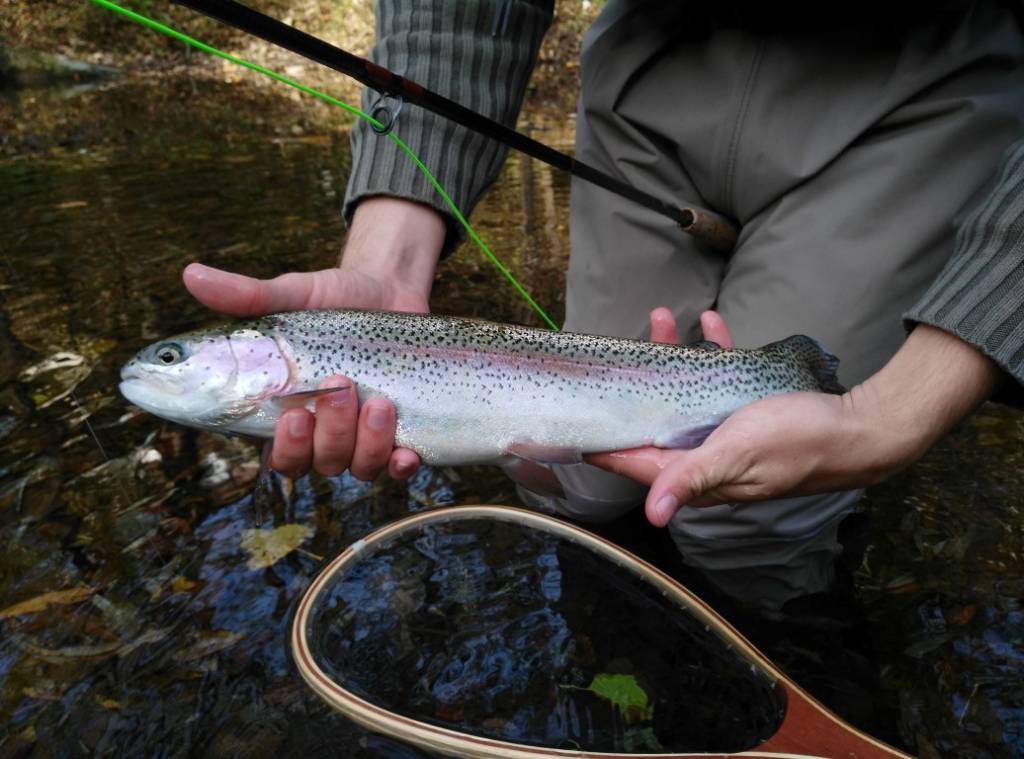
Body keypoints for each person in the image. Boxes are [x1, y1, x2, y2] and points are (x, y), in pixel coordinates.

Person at [184, 0, 1024, 612]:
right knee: (572, 483)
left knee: (747, 519)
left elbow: (888, 413)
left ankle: (795, 658)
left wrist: (891, 420)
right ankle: (613, 625)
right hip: (650, 60)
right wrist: (388, 261)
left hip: (929, 82)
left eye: (178, 358)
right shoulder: (302, 358)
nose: (173, 368)